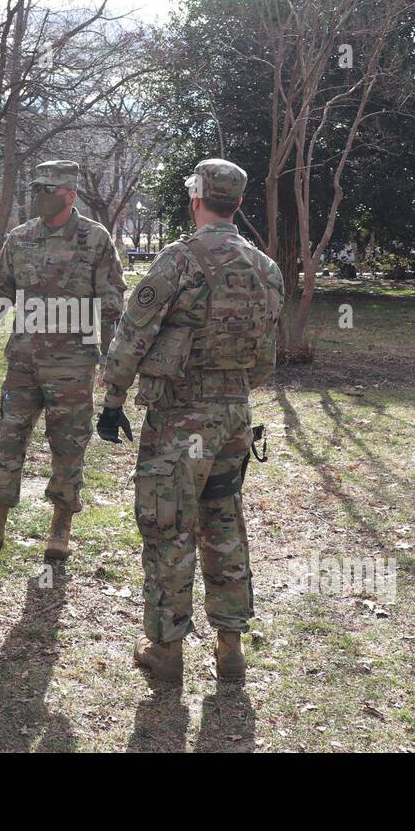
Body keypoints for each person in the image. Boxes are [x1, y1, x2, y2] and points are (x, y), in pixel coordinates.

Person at [96, 158, 284, 683]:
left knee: (168, 527)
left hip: (181, 419)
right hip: (234, 417)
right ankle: (230, 648)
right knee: (223, 522)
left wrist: (113, 399)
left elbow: (133, 334)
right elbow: (266, 359)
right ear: (239, 202)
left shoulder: (179, 259)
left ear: (196, 197)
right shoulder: (266, 268)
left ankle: (166, 651)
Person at [0, 160, 126, 562]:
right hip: (24, 362)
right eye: (35, 188)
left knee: (68, 446)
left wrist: (111, 357)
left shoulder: (94, 238)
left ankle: (60, 527)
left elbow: (110, 301)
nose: (38, 196)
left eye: (46, 190)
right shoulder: (19, 238)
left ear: (69, 195)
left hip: (72, 365)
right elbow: (0, 286)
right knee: (8, 442)